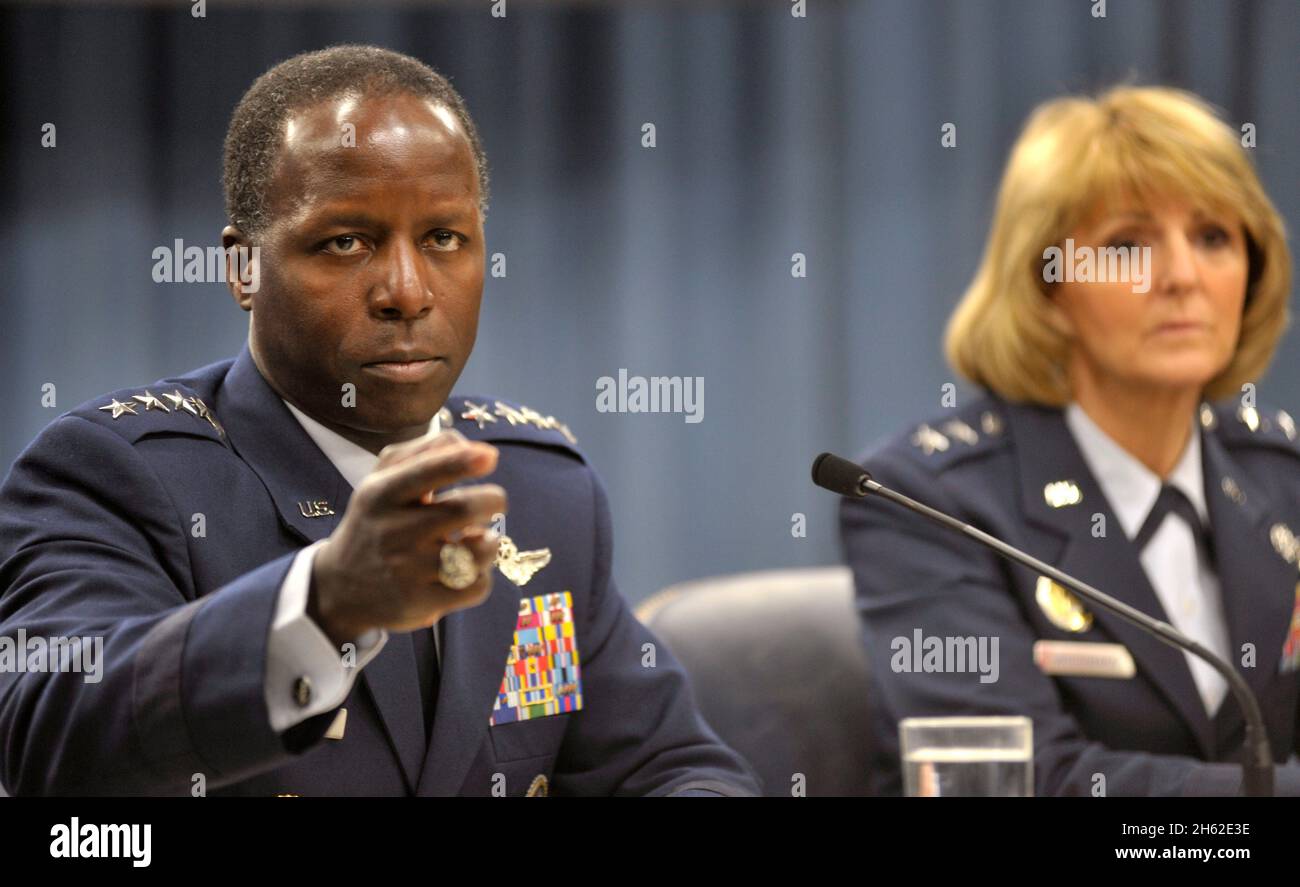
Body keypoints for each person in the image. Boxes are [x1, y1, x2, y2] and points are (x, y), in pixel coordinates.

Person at [0, 45, 760, 797]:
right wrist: (324, 603)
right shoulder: (120, 473)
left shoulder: (539, 487)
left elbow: (674, 767)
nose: (406, 290)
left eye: (442, 240)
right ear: (243, 269)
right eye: (346, 242)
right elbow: (47, 733)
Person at [839, 85, 1300, 796]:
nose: (1182, 277)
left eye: (1213, 237)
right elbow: (1022, 781)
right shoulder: (928, 499)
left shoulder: (1283, 476)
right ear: (1048, 288)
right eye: (1127, 245)